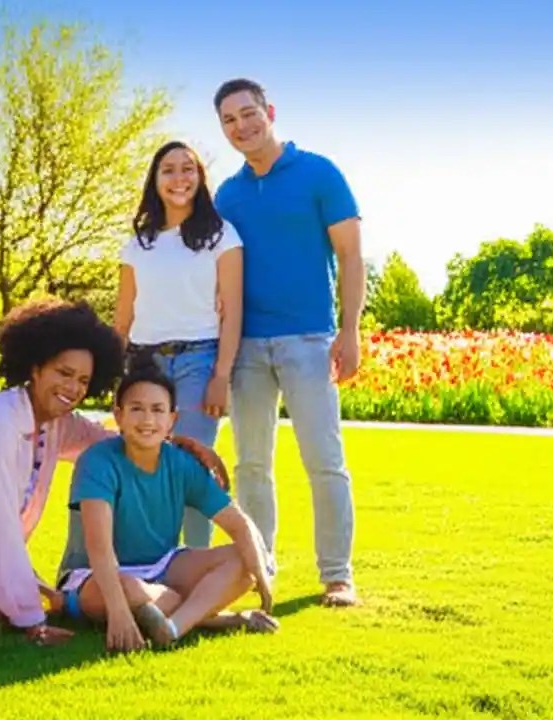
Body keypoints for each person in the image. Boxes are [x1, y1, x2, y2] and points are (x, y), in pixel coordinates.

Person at [0, 297, 229, 646]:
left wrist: (180, 445)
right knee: (37, 608)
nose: (73, 389)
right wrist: (31, 621)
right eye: (63, 373)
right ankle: (203, 617)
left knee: (52, 603)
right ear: (34, 367)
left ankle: (198, 617)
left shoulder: (57, 424)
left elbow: (120, 440)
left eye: (83, 380)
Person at [210, 77, 365, 607]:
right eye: (229, 120)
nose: (241, 126)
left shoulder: (319, 173)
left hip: (309, 340)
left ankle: (337, 576)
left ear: (269, 111)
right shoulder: (227, 195)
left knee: (324, 461)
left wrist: (349, 330)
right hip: (248, 348)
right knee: (251, 466)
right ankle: (261, 566)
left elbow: (349, 256)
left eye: (249, 113)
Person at [57, 356, 277, 653]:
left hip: (165, 566)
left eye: (158, 410)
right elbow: (99, 548)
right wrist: (120, 613)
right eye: (136, 409)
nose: (147, 420)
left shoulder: (182, 462)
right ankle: (212, 618)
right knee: (130, 589)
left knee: (246, 557)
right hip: (96, 574)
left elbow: (239, 524)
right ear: (118, 415)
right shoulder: (97, 462)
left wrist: (260, 576)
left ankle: (171, 628)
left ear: (172, 419)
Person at [114, 139, 243, 549]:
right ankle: (143, 561)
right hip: (143, 363)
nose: (178, 178)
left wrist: (221, 374)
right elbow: (124, 315)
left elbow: (233, 311)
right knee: (141, 463)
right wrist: (111, 373)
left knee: (191, 464)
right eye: (168, 169)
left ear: (200, 178)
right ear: (155, 179)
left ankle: (195, 561)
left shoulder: (221, 236)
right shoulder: (138, 244)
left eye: (188, 169)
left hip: (198, 359)